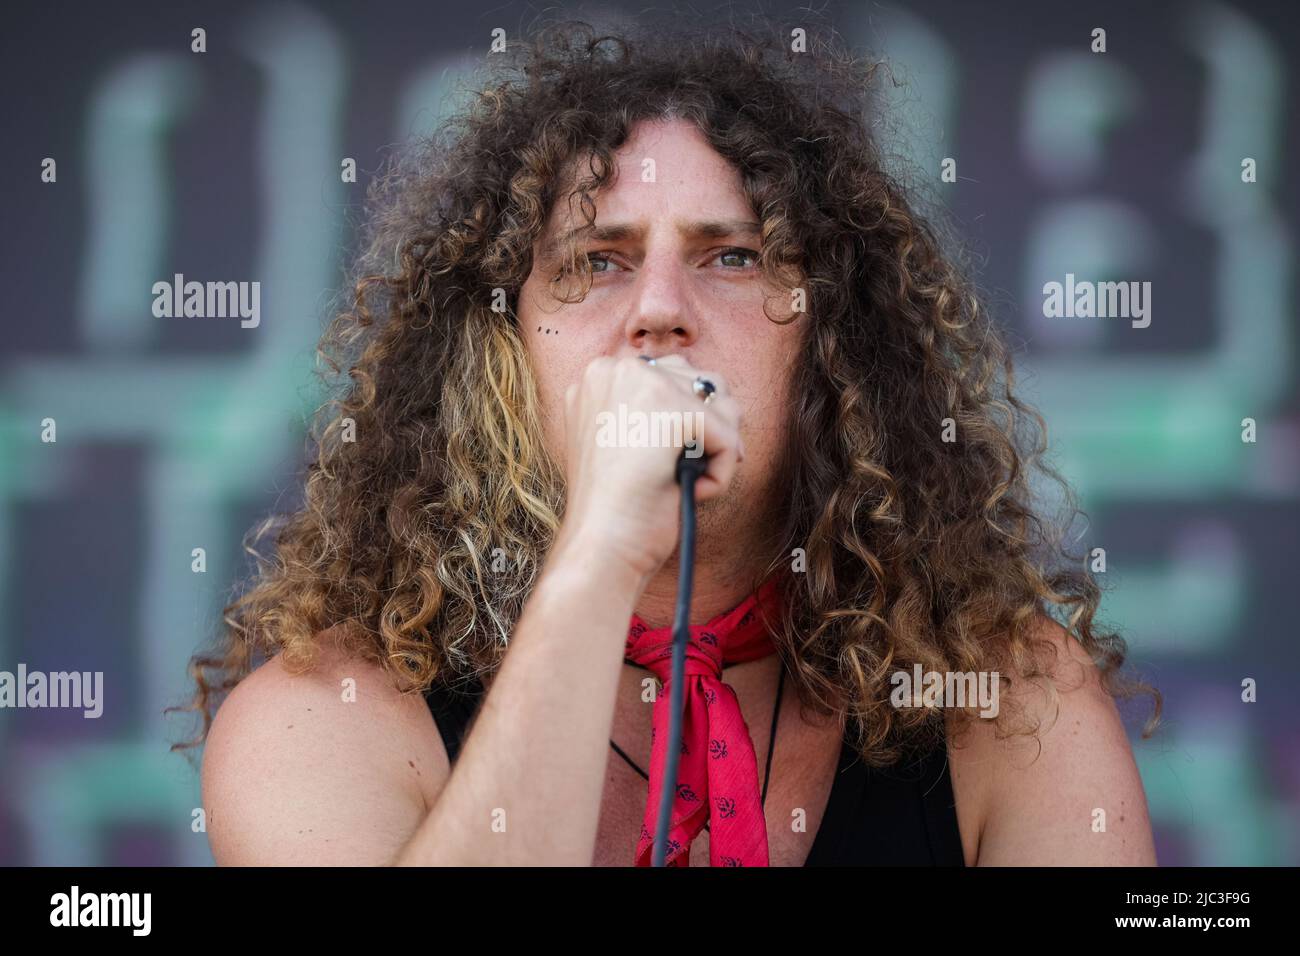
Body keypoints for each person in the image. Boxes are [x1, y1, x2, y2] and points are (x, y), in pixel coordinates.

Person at [177, 17, 1161, 866]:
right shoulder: (322, 713)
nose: (657, 309)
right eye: (594, 261)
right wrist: (603, 551)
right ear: (501, 350)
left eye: (730, 255)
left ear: (829, 340)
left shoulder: (1009, 701)